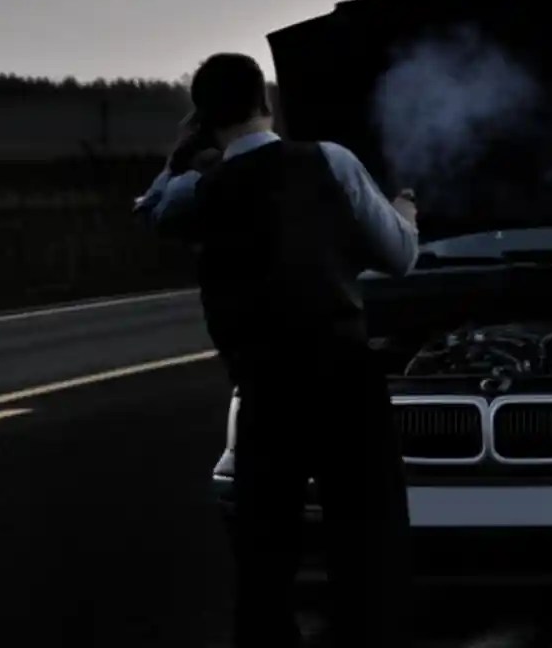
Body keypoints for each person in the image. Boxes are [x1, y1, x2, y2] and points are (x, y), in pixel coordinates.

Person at [136, 53, 419, 647]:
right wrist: (404, 213)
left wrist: (180, 154)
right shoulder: (330, 160)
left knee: (266, 561)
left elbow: (149, 212)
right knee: (365, 547)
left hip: (264, 384)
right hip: (345, 380)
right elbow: (399, 257)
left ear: (203, 118)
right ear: (267, 102)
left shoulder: (197, 190)